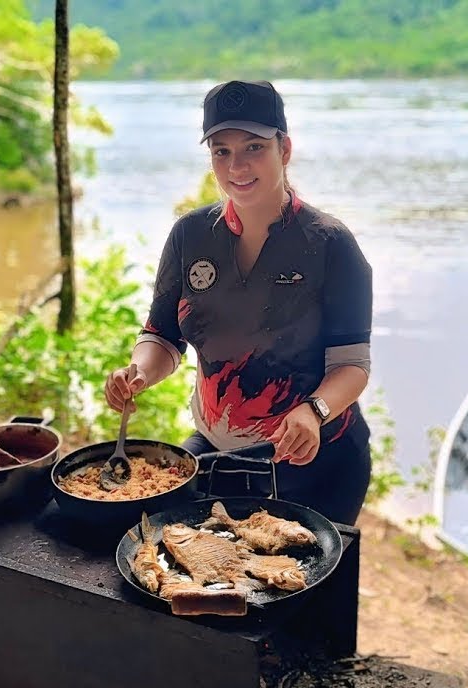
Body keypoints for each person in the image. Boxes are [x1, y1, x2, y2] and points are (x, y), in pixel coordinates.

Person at [103, 80, 374, 526]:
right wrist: (139, 372)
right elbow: (162, 335)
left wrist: (314, 410)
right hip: (216, 452)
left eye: (253, 147)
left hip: (316, 461)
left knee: (296, 587)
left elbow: (353, 364)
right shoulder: (190, 235)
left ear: (283, 150)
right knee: (174, 561)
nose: (237, 166)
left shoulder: (329, 243)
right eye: (221, 151)